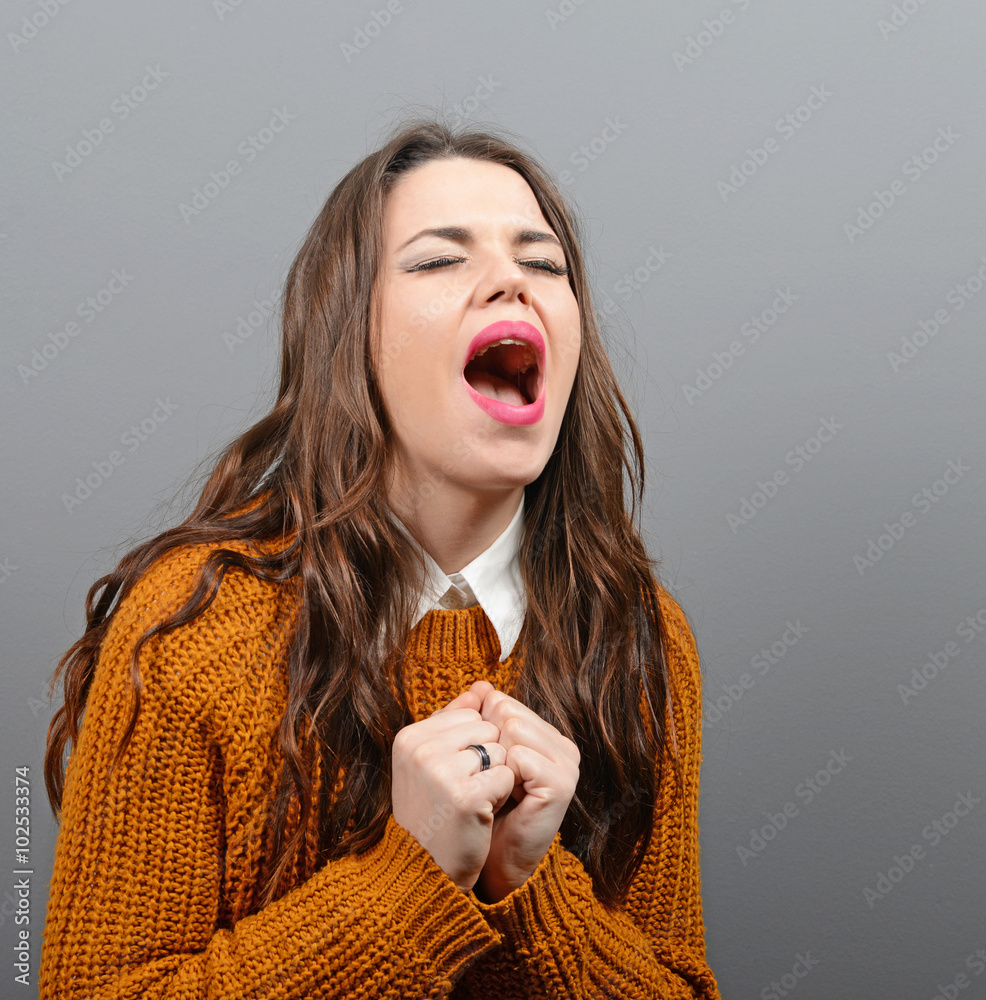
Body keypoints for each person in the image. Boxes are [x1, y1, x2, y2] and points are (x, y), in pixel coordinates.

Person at [39, 118, 721, 999]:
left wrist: (532, 886)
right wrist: (412, 885)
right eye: (441, 260)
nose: (510, 280)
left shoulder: (642, 640)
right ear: (349, 336)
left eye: (543, 264)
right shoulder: (193, 628)